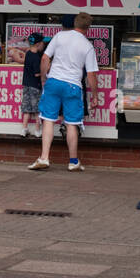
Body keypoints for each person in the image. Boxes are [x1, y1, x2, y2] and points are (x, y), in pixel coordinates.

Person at [28, 12, 98, 172]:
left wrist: (44, 78)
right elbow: (92, 74)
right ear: (88, 28)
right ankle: (73, 161)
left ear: (75, 23)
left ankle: (44, 157)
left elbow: (45, 59)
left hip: (54, 81)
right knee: (72, 123)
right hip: (73, 85)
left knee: (48, 120)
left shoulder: (59, 36)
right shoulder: (88, 46)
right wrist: (95, 96)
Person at [20, 32, 45, 137]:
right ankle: (37, 131)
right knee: (37, 110)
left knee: (26, 109)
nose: (44, 45)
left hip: (26, 85)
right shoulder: (36, 57)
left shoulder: (28, 54)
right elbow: (37, 74)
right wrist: (45, 71)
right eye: (43, 43)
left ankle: (24, 129)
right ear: (38, 44)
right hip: (35, 86)